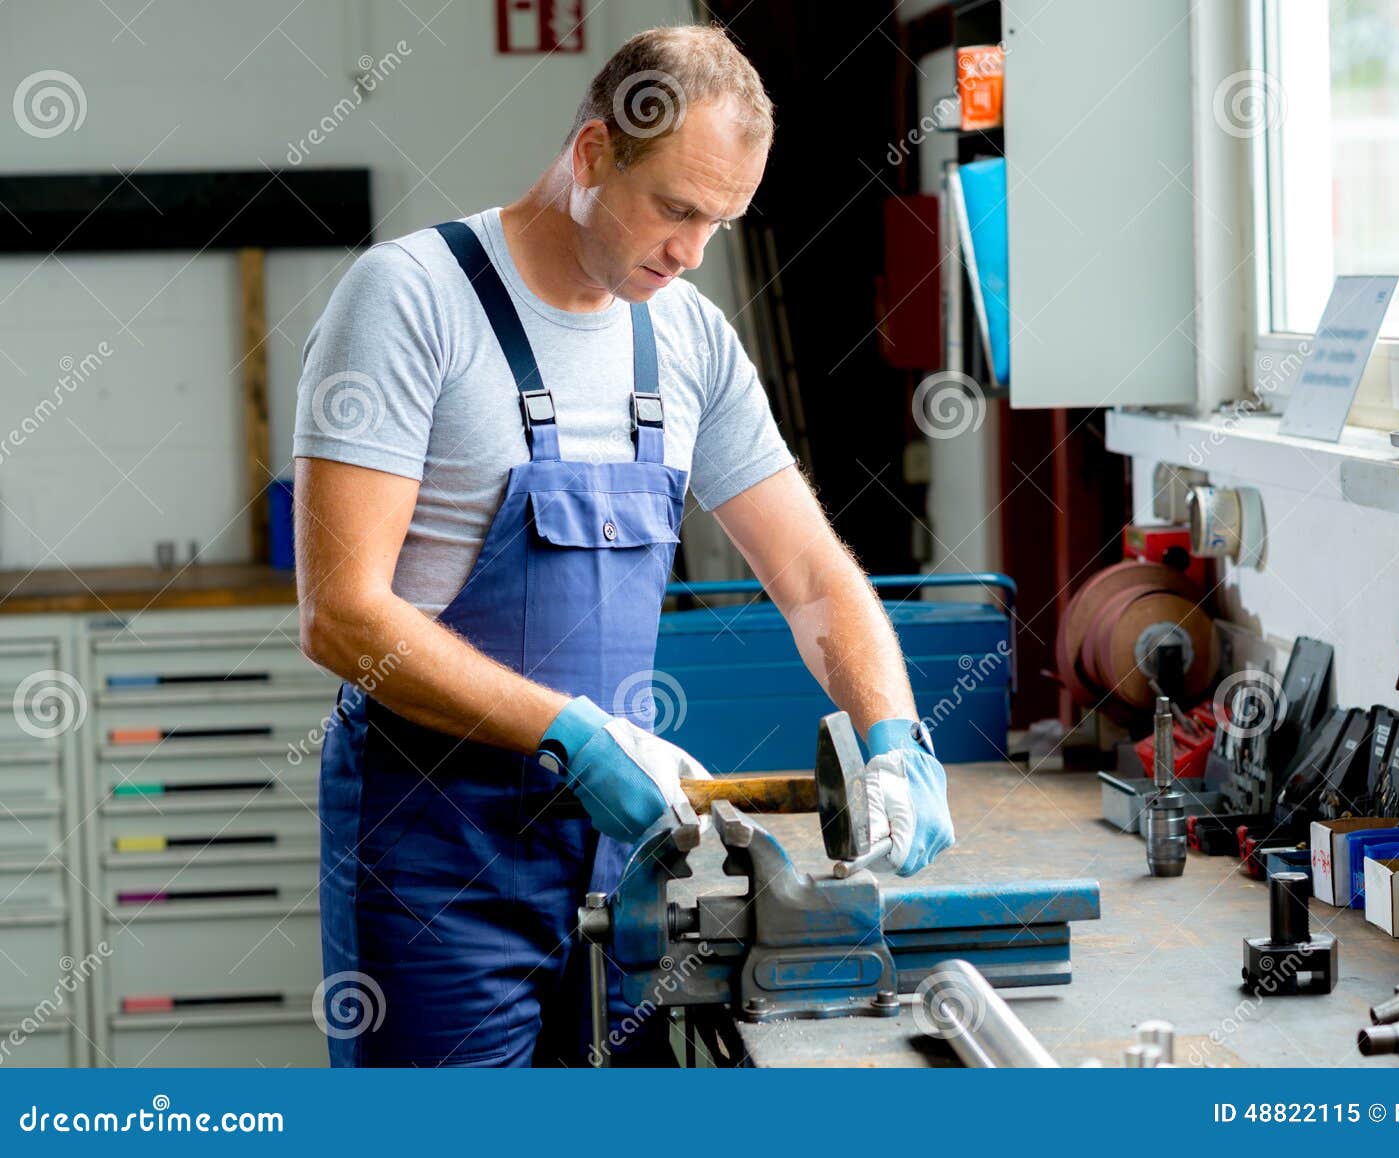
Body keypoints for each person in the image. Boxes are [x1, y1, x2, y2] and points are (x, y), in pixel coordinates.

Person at [294, 23, 953, 1068]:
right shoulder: (411, 300)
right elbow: (342, 617)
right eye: (676, 209)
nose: (691, 252)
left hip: (625, 854)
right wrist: (573, 735)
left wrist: (895, 736)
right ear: (593, 153)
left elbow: (816, 577)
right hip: (435, 858)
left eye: (720, 223)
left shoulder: (687, 338)